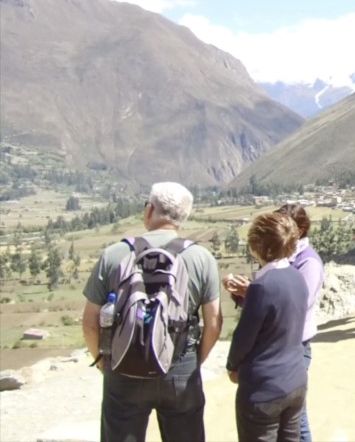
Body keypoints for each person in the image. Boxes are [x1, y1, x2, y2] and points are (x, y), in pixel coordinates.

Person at [81, 181, 223, 442]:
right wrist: (193, 361)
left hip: (123, 367)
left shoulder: (114, 254)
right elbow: (214, 323)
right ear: (183, 216)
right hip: (179, 367)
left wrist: (103, 361)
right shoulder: (201, 258)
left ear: (149, 210)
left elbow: (90, 322)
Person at [224, 205, 324, 442]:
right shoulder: (296, 276)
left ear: (257, 246)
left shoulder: (262, 286)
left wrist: (232, 366)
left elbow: (244, 337)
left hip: (265, 387)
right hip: (294, 381)